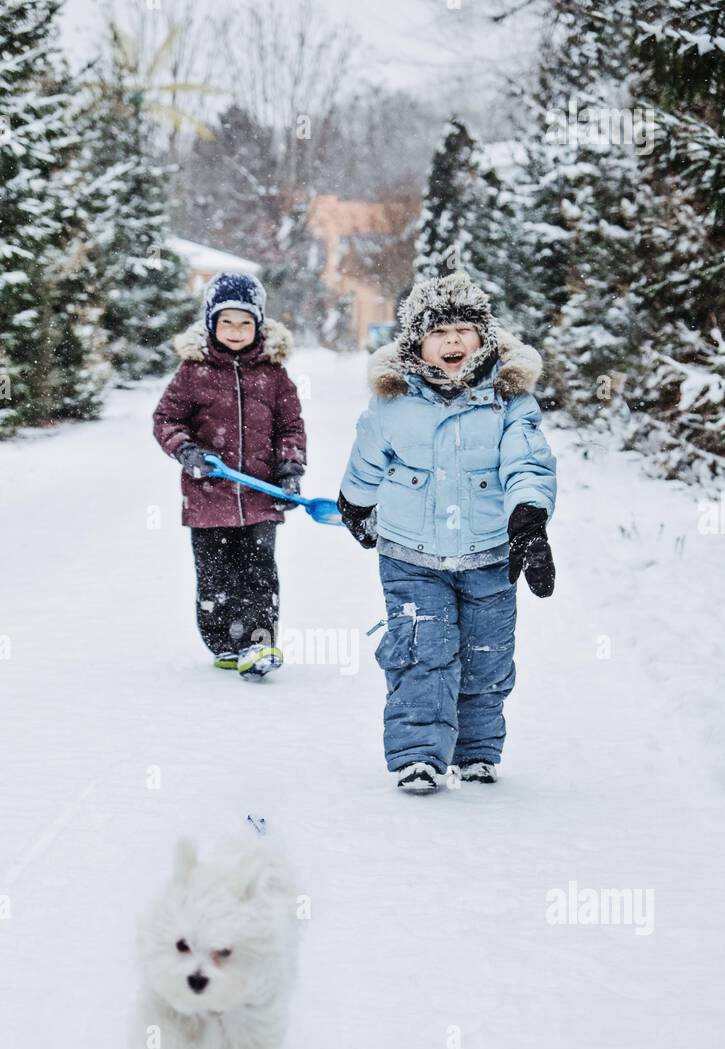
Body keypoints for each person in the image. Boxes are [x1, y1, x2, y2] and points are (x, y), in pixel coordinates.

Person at [338, 263, 557, 793]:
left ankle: (477, 751)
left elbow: (526, 461)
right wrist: (355, 504)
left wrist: (529, 519)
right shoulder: (392, 401)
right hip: (410, 556)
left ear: (484, 337)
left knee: (486, 656)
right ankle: (418, 754)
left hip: (489, 554)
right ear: (418, 342)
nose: (453, 340)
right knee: (421, 651)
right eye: (439, 331)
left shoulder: (509, 400)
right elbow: (368, 458)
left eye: (464, 329)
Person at [153, 271, 306, 680]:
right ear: (210, 324)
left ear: (259, 324)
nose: (235, 331)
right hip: (208, 497)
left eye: (244, 322)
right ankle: (223, 641)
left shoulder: (273, 375)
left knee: (259, 571)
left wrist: (290, 469)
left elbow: (290, 427)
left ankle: (258, 642)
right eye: (226, 322)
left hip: (261, 496)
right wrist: (187, 451)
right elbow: (166, 419)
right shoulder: (193, 372)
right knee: (216, 576)